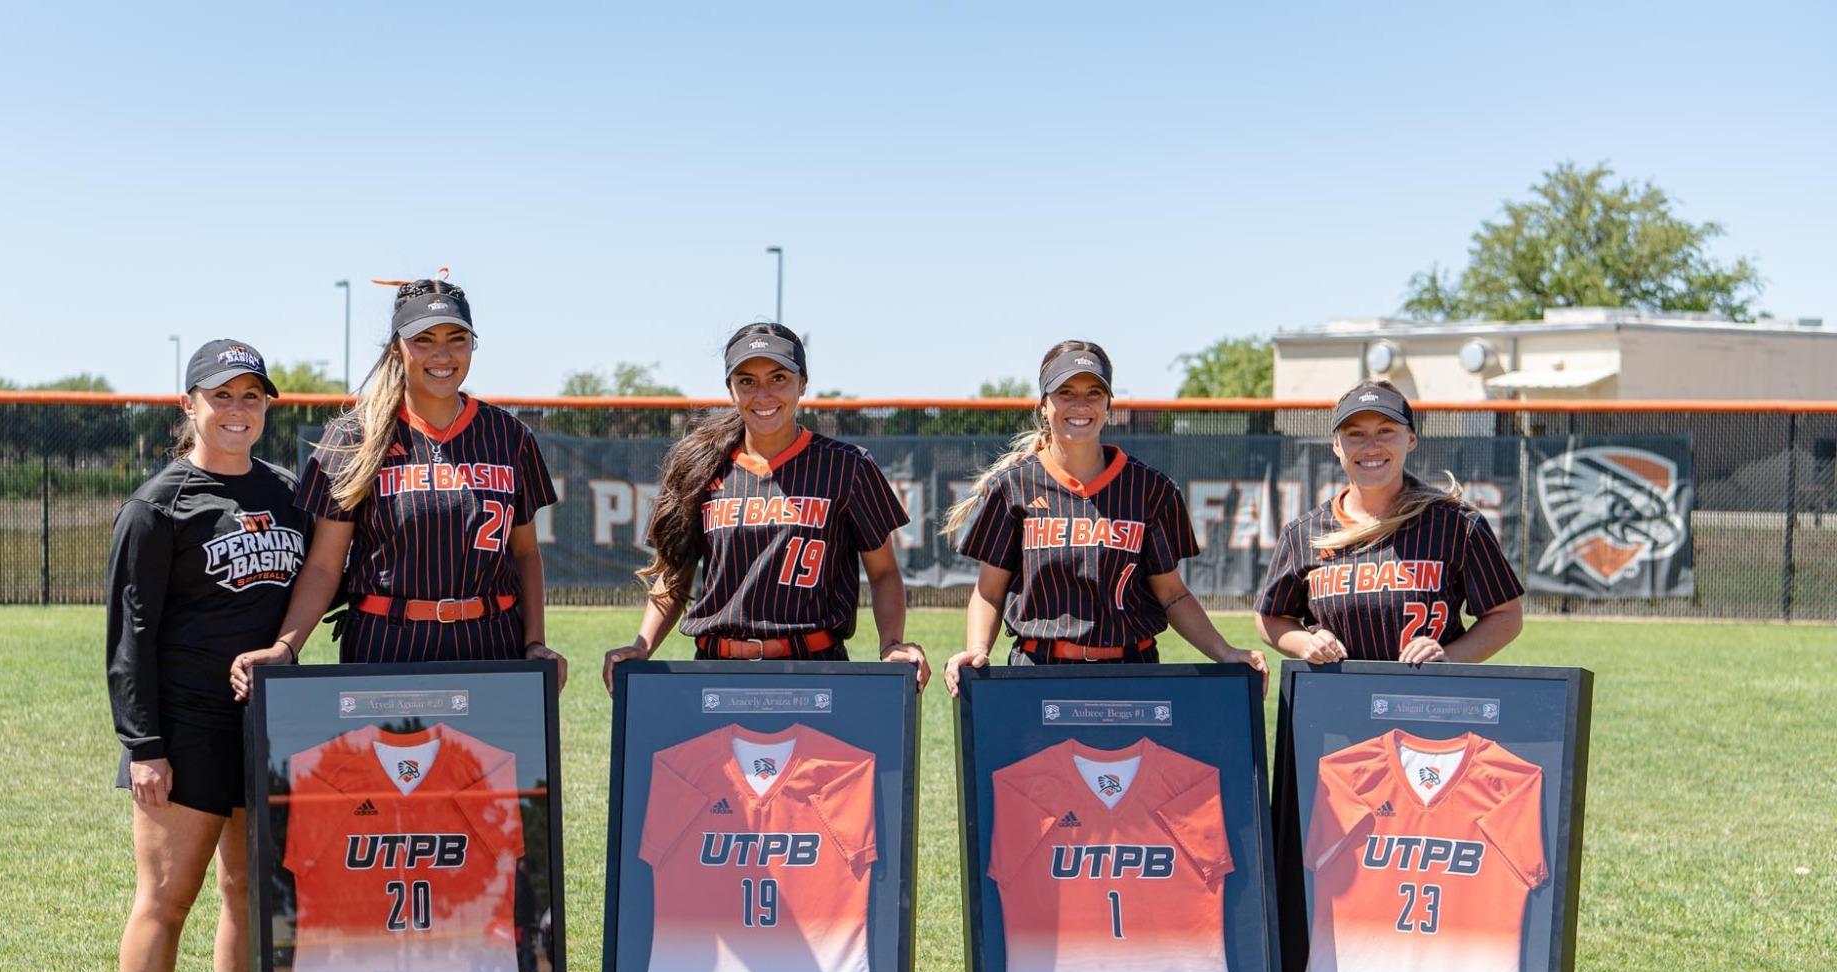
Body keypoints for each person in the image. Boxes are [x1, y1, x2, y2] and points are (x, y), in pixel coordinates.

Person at [107, 339, 307, 972]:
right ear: (188, 405)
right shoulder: (158, 505)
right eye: (221, 395)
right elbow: (130, 638)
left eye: (252, 396)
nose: (236, 410)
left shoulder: (287, 495)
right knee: (166, 896)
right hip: (183, 725)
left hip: (262, 724)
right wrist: (143, 745)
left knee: (247, 892)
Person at [229, 273, 565, 692]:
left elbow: (527, 554)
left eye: (456, 338)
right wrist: (286, 647)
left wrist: (534, 642)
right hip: (386, 642)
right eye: (423, 339)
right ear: (396, 347)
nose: (442, 354)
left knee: (489, 760)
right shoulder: (357, 436)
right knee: (395, 758)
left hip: (491, 642)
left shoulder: (509, 435)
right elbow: (323, 566)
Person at [600, 323, 928, 690]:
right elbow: (676, 574)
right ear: (731, 388)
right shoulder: (699, 465)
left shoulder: (847, 466)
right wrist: (641, 646)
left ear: (802, 383)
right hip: (715, 669)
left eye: (778, 378)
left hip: (813, 668)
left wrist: (892, 645)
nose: (763, 394)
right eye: (747, 381)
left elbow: (883, 573)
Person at [941, 341, 1267, 696]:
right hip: (1038, 673)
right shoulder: (1013, 486)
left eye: (1094, 392)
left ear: (1109, 403)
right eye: (1066, 392)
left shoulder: (1150, 489)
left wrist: (1224, 652)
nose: (1081, 405)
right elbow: (989, 592)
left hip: (1132, 672)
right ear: (1044, 403)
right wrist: (977, 650)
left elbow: (1172, 595)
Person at [1257, 380, 1524, 663]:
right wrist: (1304, 643)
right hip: (1336, 698)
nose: (1371, 446)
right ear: (1336, 445)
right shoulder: (1303, 534)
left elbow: (1506, 615)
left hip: (1426, 700)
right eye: (1355, 434)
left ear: (1410, 439)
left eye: (1385, 431)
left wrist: (1449, 657)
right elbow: (1270, 617)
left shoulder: (1457, 525)